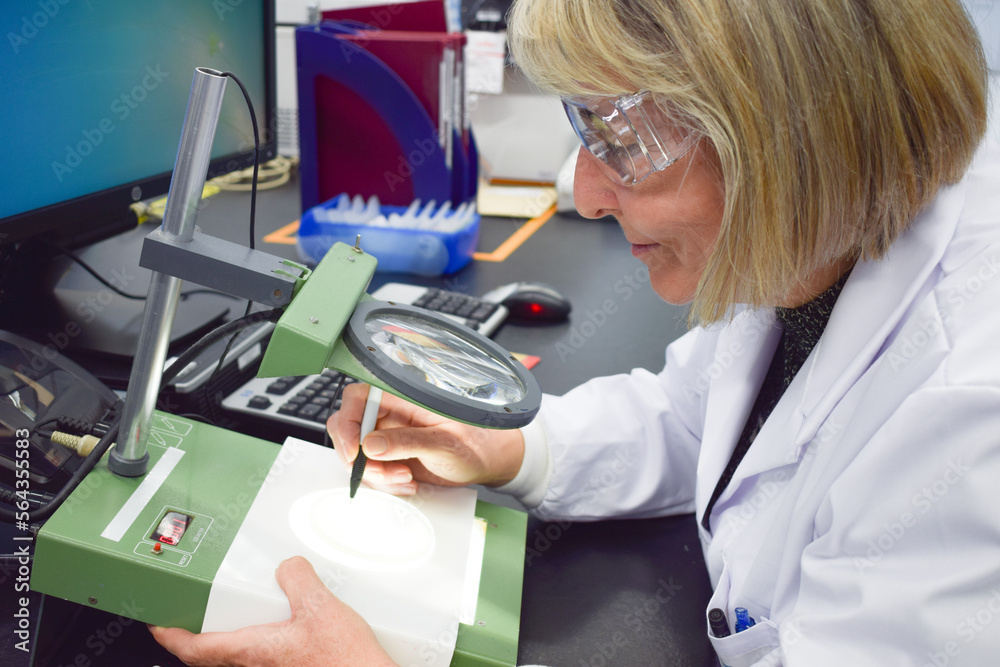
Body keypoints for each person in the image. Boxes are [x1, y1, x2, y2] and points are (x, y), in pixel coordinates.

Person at [153, 0, 1000, 664]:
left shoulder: (970, 407)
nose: (586, 192)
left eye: (623, 140)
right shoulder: (817, 231)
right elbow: (693, 417)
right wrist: (510, 449)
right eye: (584, 128)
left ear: (791, 139)